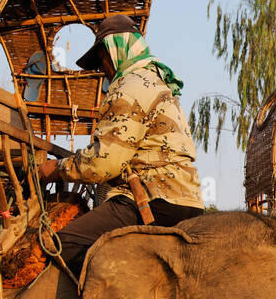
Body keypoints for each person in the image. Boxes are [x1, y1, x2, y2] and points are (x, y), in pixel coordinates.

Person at [38, 15, 204, 274]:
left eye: (102, 60)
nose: (102, 69)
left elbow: (103, 163)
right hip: (186, 201)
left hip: (152, 200)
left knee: (61, 244)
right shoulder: (156, 83)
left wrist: (54, 169)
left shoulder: (129, 86)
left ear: (113, 52)